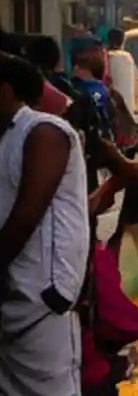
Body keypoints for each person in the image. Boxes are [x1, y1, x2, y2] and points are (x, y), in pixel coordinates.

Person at [0, 54, 90, 395]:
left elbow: (26, 214)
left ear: (5, 91)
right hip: (13, 297)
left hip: (42, 296)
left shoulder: (43, 131)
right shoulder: (8, 137)